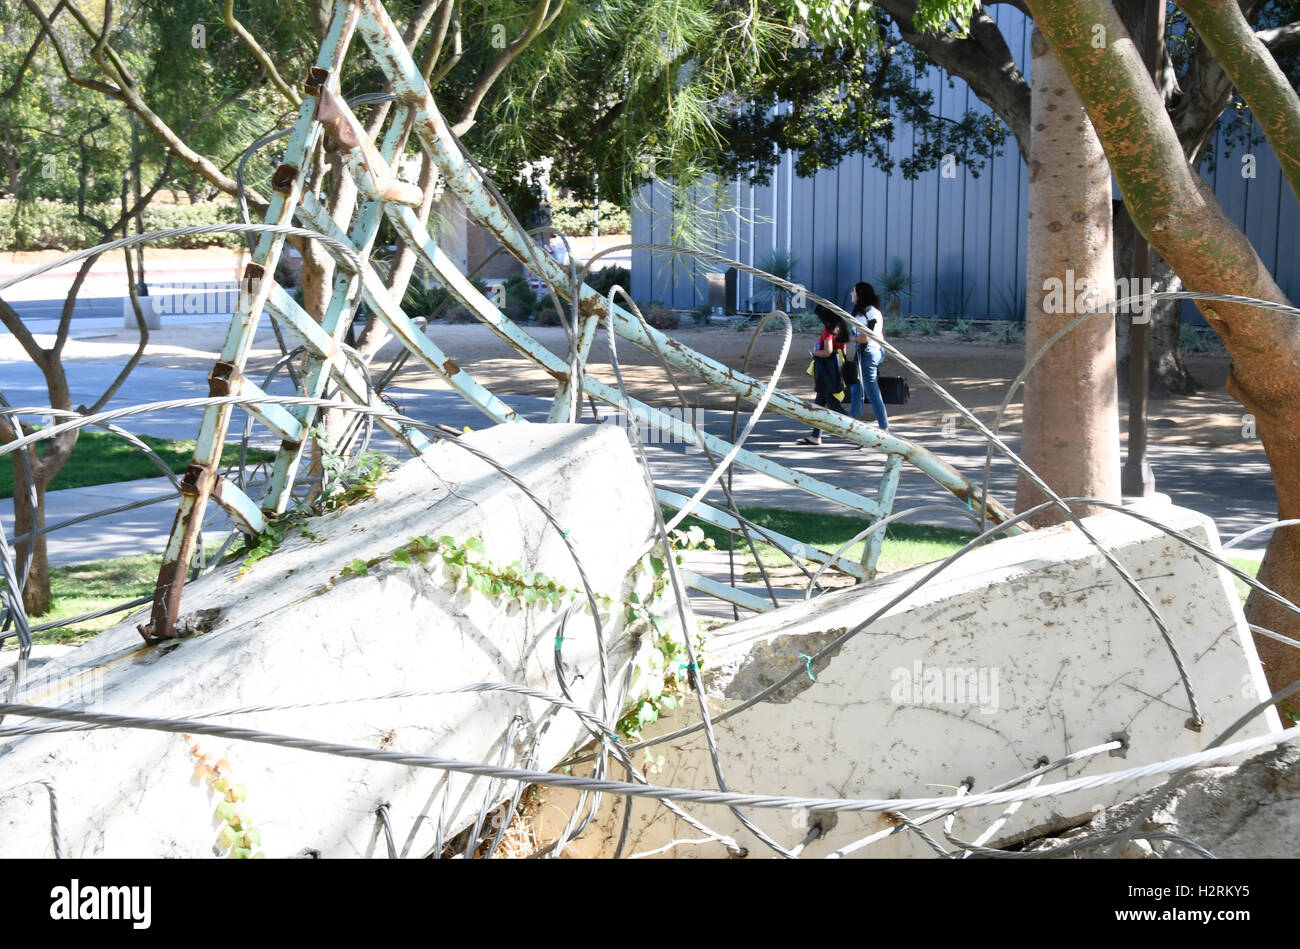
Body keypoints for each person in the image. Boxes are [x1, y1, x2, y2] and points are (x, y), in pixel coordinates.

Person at [798, 305, 849, 445]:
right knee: (819, 404)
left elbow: (828, 351)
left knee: (834, 407)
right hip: (837, 368)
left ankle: (863, 433)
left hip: (827, 371)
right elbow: (843, 348)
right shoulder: (841, 326)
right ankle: (815, 435)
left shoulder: (829, 330)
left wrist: (814, 353)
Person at [846, 281, 889, 434]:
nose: (851, 293)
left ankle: (884, 427)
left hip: (869, 353)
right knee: (856, 388)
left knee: (870, 389)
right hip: (872, 352)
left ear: (860, 294)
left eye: (854, 291)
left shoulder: (868, 313)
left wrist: (847, 339)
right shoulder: (869, 311)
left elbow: (865, 338)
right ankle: (854, 426)